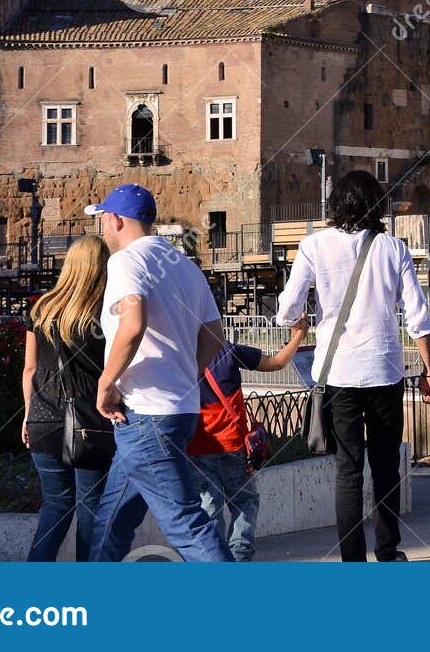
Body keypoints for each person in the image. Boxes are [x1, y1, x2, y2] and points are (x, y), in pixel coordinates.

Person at [275, 170, 430, 562]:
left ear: (335, 204)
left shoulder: (313, 245)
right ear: (376, 205)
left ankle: (353, 563)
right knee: (385, 466)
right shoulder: (393, 248)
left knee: (347, 471)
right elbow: (417, 316)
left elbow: (288, 308)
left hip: (338, 374)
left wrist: (295, 321)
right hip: (384, 371)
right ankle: (388, 552)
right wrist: (429, 370)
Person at [85, 184, 233, 562]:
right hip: (175, 411)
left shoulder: (125, 262)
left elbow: (132, 323)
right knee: (111, 521)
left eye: (103, 220)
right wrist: (185, 374)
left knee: (186, 523)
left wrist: (106, 383)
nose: (103, 229)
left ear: (116, 220)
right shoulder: (185, 265)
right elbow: (214, 335)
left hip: (146, 414)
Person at [20, 235, 113, 561]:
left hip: (43, 417)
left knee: (56, 504)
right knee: (91, 506)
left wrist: (28, 414)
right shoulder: (104, 311)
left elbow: (30, 369)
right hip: (90, 420)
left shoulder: (41, 308)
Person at [188, 317, 310, 562]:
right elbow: (277, 363)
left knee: (209, 509)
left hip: (197, 449)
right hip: (234, 446)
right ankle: (240, 558)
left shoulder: (181, 358)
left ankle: (212, 562)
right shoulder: (229, 351)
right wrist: (299, 335)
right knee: (244, 501)